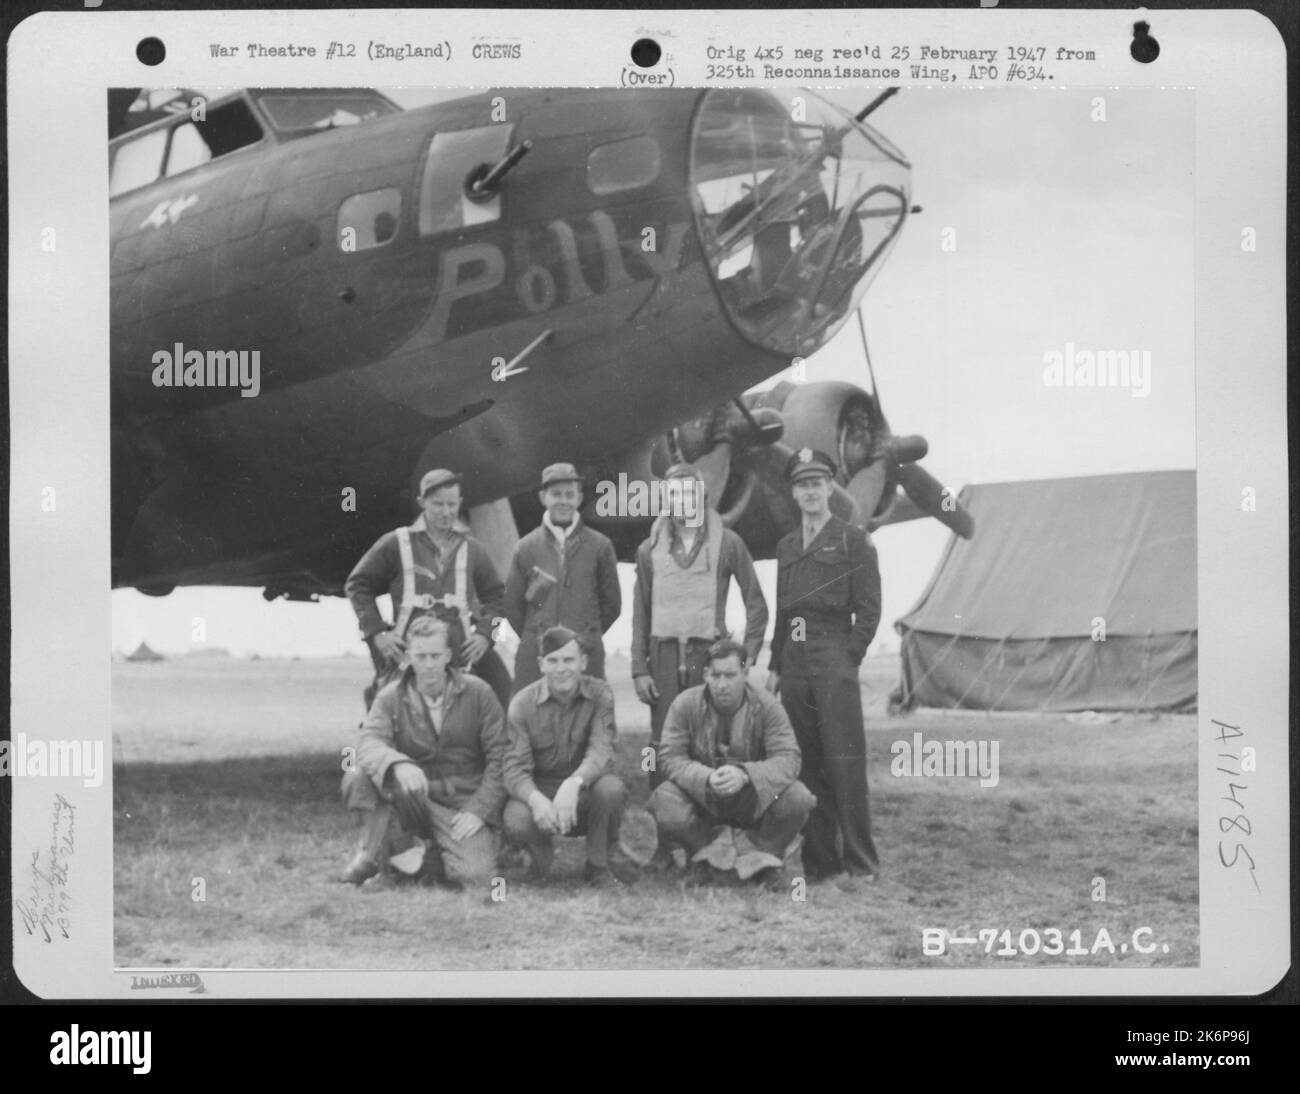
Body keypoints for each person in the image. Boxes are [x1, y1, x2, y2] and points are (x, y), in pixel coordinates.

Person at [767, 448, 881, 881]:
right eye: (802, 485)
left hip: (834, 657)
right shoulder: (786, 546)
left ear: (830, 487)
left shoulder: (854, 539)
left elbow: (869, 609)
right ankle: (820, 864)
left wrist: (848, 655)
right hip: (795, 663)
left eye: (817, 483)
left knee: (845, 762)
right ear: (793, 492)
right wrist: (777, 664)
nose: (810, 492)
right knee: (808, 763)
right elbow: (783, 611)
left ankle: (861, 863)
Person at [339, 616, 507, 889]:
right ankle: (377, 856)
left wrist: (479, 810)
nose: (428, 664)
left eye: (435, 655)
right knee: (357, 774)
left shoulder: (479, 692)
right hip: (413, 796)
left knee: (475, 876)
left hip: (460, 800)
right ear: (408, 657)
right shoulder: (391, 695)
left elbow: (501, 756)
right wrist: (397, 764)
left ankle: (419, 859)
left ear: (448, 656)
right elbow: (368, 741)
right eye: (421, 656)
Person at [630, 463, 767, 788]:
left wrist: (744, 658)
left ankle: (711, 827)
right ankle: (665, 825)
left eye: (689, 493)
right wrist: (639, 668)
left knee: (711, 741)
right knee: (661, 742)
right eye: (674, 494)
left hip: (709, 658)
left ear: (701, 496)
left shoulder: (729, 543)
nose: (682, 501)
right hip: (662, 660)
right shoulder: (647, 550)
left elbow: (757, 605)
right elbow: (640, 613)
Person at [650, 639, 814, 887]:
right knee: (664, 799)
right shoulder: (684, 703)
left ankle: (763, 858)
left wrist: (746, 774)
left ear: (745, 673)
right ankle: (703, 857)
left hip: (753, 800)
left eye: (731, 675)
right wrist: (704, 777)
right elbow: (669, 756)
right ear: (705, 674)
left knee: (799, 798)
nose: (722, 684)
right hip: (705, 799)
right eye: (716, 675)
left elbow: (789, 758)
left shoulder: (768, 705)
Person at [346, 468, 512, 710]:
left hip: (459, 655)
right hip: (409, 657)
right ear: (422, 503)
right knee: (388, 719)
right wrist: (377, 634)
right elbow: (357, 584)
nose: (446, 512)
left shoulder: (473, 549)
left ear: (460, 503)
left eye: (451, 504)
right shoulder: (396, 543)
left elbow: (498, 596)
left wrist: (486, 635)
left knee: (498, 702)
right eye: (438, 504)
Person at [501, 626, 631, 888]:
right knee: (516, 818)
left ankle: (598, 865)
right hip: (542, 794)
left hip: (583, 792)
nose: (561, 668)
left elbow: (602, 750)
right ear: (541, 665)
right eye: (553, 660)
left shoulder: (601, 694)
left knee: (611, 789)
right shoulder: (522, 704)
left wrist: (574, 784)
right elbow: (514, 769)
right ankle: (537, 859)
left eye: (569, 660)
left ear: (583, 662)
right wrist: (536, 800)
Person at [504, 463, 621, 694]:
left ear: (579, 498)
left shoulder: (600, 546)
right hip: (536, 656)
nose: (563, 501)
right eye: (556, 494)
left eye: (570, 494)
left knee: (588, 718)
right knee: (531, 719)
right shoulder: (525, 548)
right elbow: (512, 606)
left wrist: (586, 634)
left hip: (585, 653)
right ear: (542, 497)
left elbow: (612, 605)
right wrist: (537, 637)